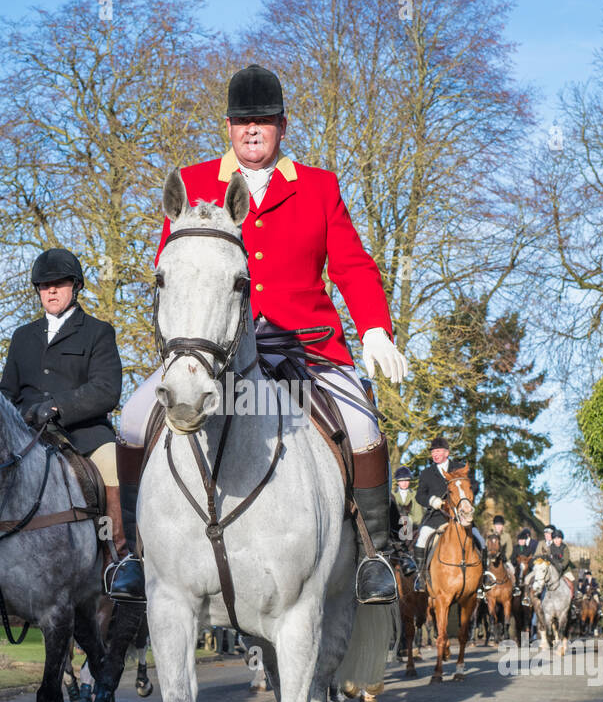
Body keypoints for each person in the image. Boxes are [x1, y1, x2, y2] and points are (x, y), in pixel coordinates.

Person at [111, 63, 408, 606]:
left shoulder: (319, 187)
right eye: (242, 121)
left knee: (364, 428)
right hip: (210, 349)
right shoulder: (194, 182)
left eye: (264, 121)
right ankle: (133, 553)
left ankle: (374, 556)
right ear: (227, 126)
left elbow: (353, 267)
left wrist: (374, 330)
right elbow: (168, 269)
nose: (252, 130)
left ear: (282, 126)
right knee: (132, 423)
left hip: (306, 348)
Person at [0, 248, 143, 596]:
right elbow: (6, 391)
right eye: (44, 285)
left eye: (58, 284)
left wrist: (58, 407)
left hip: (84, 436)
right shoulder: (22, 337)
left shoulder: (97, 332)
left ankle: (122, 559)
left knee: (112, 466)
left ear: (75, 286)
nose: (51, 291)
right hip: (28, 436)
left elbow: (107, 390)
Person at [412, 436, 494, 595]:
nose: (434, 454)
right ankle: (421, 577)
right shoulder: (427, 473)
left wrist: (466, 498)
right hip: (436, 517)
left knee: (480, 540)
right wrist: (432, 500)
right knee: (422, 538)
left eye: (438, 451)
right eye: (433, 452)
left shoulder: (460, 468)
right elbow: (419, 496)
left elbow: (475, 485)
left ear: (446, 452)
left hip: (460, 516)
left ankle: (483, 577)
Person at [491, 514, 520, 595]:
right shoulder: (490, 535)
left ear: (503, 526)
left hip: (504, 559)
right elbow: (487, 547)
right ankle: (481, 589)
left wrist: (505, 557)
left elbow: (510, 549)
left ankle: (514, 588)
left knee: (512, 570)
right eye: (497, 525)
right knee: (484, 570)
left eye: (500, 525)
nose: (499, 527)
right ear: (494, 526)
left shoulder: (507, 536)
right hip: (492, 559)